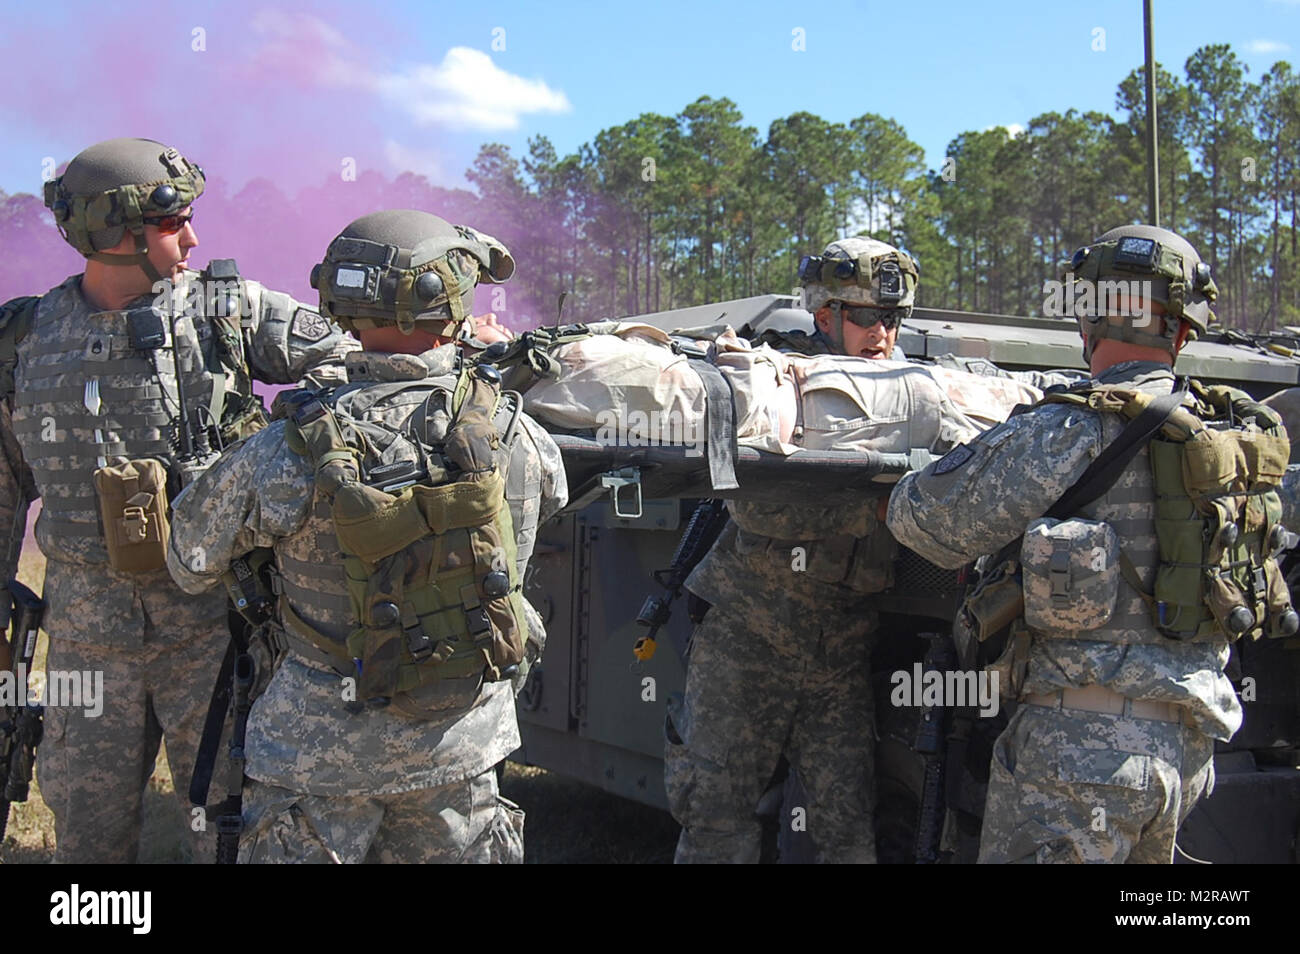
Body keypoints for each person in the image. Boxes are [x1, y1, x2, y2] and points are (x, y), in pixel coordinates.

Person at [165, 209, 567, 863]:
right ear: (456, 303)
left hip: (316, 762)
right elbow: (540, 512)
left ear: (342, 306)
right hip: (459, 752)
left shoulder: (284, 451)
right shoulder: (520, 436)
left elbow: (189, 562)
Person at [887, 224, 1298, 863]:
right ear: (1184, 330)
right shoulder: (1234, 441)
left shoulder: (1068, 428)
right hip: (1189, 754)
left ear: (1088, 322)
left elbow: (922, 521)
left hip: (1076, 758)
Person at [0, 136, 355, 863]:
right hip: (85, 642)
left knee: (227, 823)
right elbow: (6, 477)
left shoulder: (227, 312)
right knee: (89, 837)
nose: (192, 237)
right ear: (110, 231)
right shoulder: (25, 338)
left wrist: (280, 442)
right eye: (171, 224)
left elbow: (351, 362)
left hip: (211, 629)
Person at [664, 236, 919, 863]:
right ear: (825, 315)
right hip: (749, 642)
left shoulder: (909, 393)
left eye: (892, 318)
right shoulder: (778, 385)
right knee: (717, 821)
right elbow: (758, 503)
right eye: (866, 317)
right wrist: (881, 507)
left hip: (840, 650)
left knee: (848, 832)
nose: (882, 332)